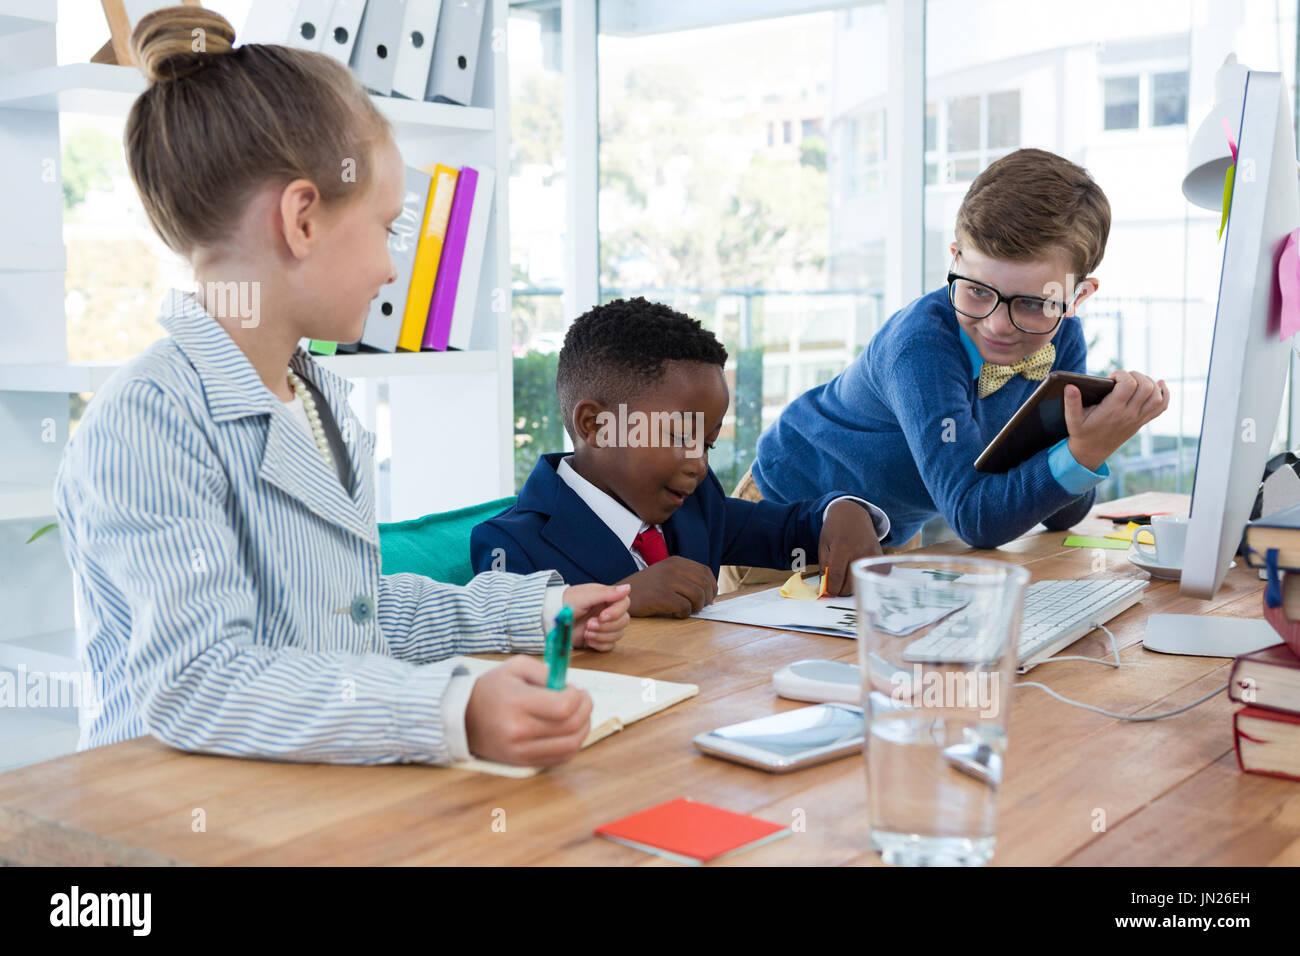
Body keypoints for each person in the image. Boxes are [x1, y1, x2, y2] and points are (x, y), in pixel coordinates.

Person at [52, 7, 630, 769]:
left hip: (309, 807)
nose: (395, 268)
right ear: (302, 220)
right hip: (176, 828)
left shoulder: (316, 398)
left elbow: (356, 615)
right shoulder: (151, 419)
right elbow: (199, 681)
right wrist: (448, 709)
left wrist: (535, 607)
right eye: (389, 229)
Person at [727, 148, 1168, 590]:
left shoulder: (1061, 339)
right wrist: (1082, 452)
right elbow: (975, 519)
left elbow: (1061, 512)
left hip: (889, 531)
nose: (996, 325)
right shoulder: (921, 346)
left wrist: (1092, 441)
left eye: (1033, 304)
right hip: (790, 519)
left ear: (1078, 297)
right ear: (955, 259)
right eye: (977, 291)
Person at [471, 298, 888, 617]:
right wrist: (623, 602)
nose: (698, 464)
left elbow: (787, 531)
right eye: (678, 436)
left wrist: (842, 511)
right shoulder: (510, 545)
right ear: (597, 425)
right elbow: (514, 633)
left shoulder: (696, 503)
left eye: (707, 444)